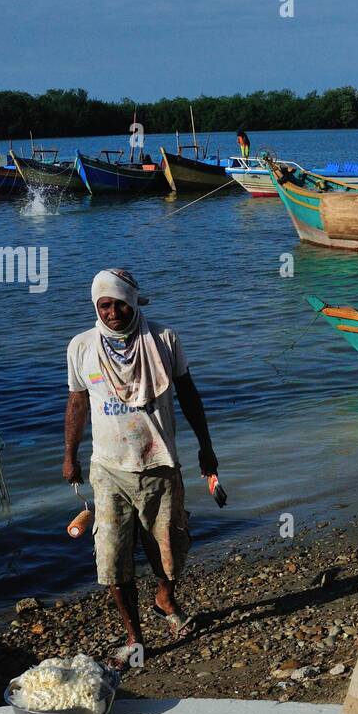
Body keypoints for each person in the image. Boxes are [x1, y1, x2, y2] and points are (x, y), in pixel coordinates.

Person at [64, 268, 218, 670]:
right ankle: (134, 637)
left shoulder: (165, 340)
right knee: (113, 557)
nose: (113, 312)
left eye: (119, 304)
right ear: (95, 306)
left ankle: (165, 595)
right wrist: (69, 456)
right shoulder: (81, 347)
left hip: (161, 465)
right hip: (109, 469)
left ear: (133, 303)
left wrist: (206, 447)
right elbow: (78, 402)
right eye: (104, 305)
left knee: (172, 552)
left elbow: (188, 394)